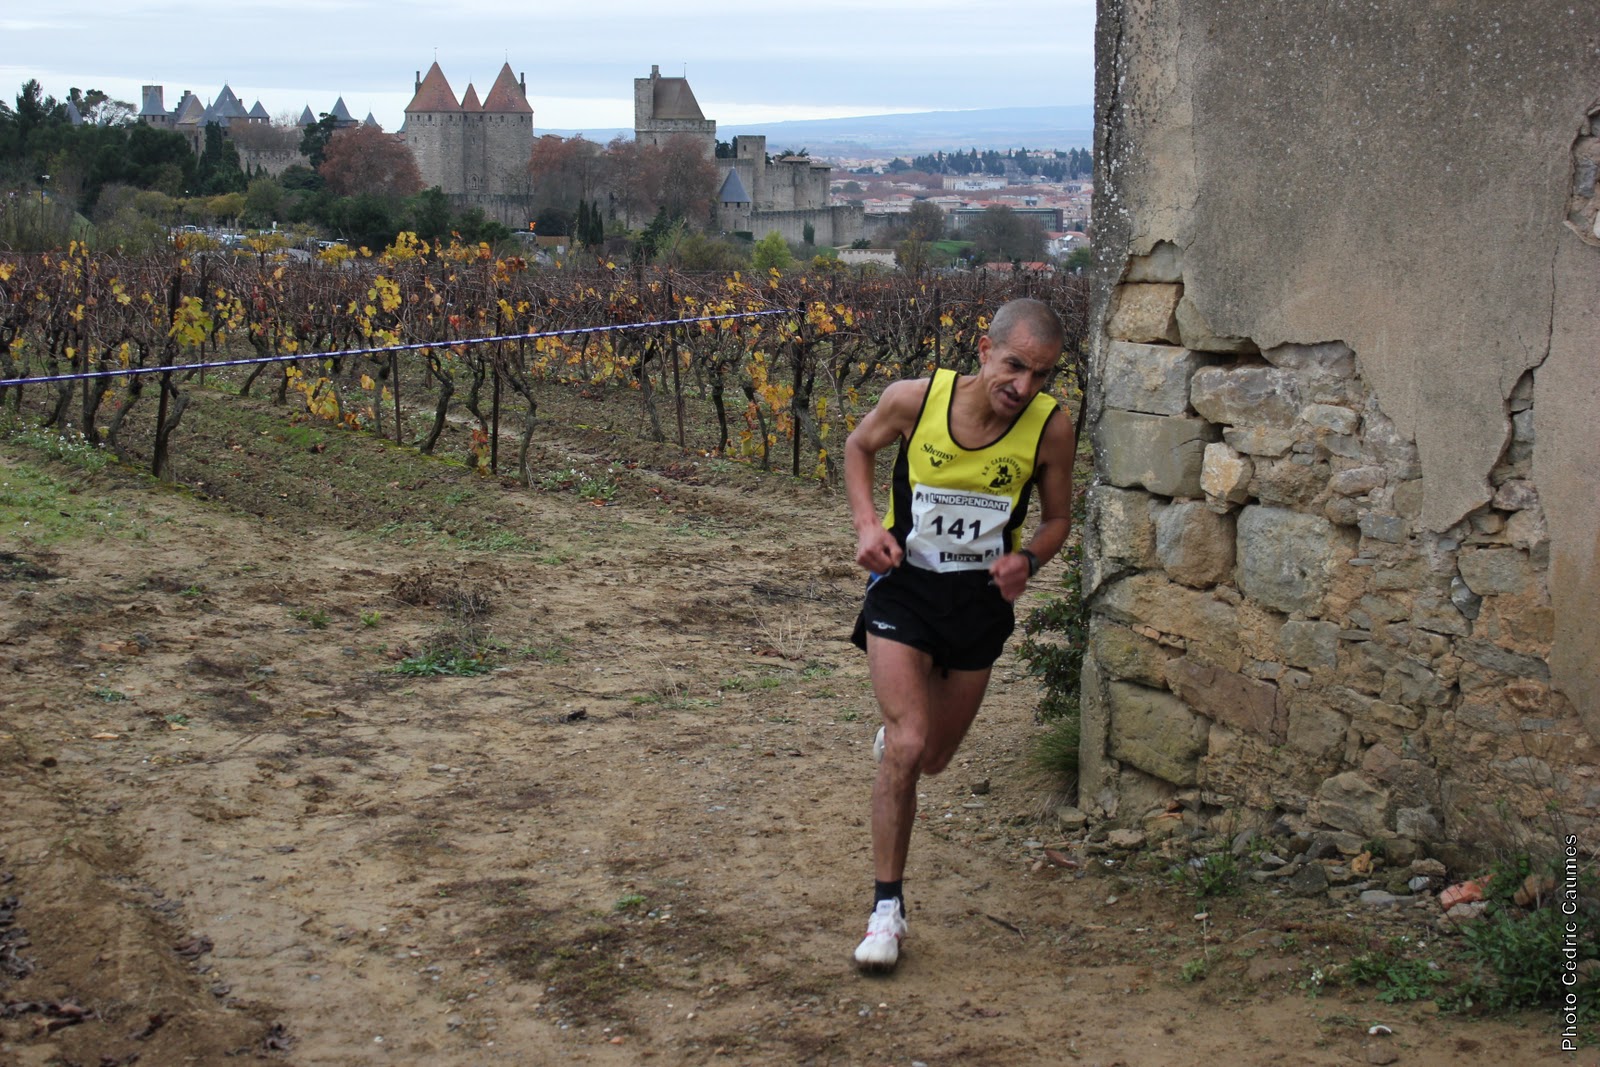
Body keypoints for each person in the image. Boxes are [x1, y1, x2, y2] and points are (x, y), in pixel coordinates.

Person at [842, 297, 1077, 973]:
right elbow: (859, 446)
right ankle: (887, 909)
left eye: (1041, 374)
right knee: (911, 746)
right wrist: (867, 525)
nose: (1024, 387)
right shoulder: (916, 400)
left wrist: (1028, 559)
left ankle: (900, 745)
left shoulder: (1049, 428)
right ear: (983, 348)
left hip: (978, 603)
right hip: (905, 587)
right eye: (1014, 367)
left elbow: (1058, 519)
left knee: (934, 757)